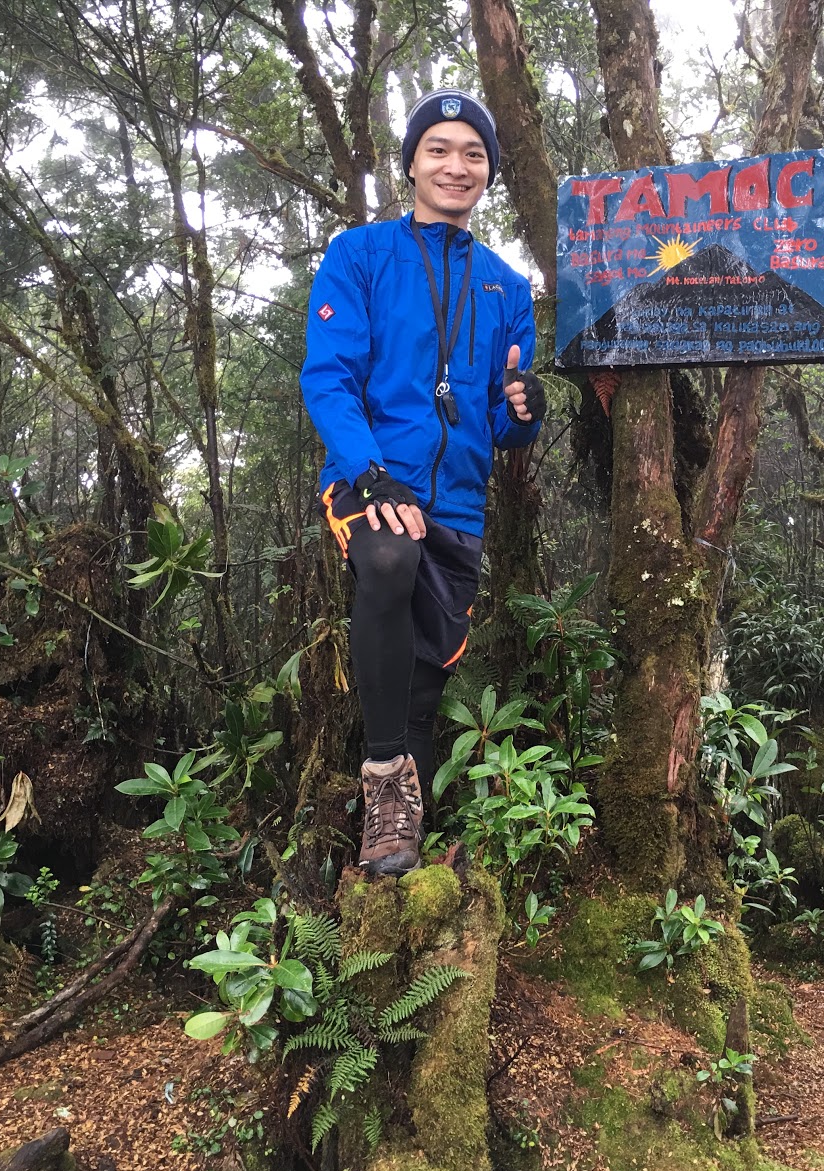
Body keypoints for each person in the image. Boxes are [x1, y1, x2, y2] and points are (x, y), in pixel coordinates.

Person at [301, 88, 546, 878]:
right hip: (371, 479)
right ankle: (381, 780)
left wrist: (524, 410)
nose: (456, 165)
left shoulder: (507, 288)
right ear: (411, 163)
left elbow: (502, 428)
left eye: (473, 154)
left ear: (489, 174)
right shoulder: (361, 255)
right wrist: (369, 473)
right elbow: (329, 378)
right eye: (438, 148)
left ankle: (399, 831)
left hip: (460, 499)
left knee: (429, 663)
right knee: (385, 564)